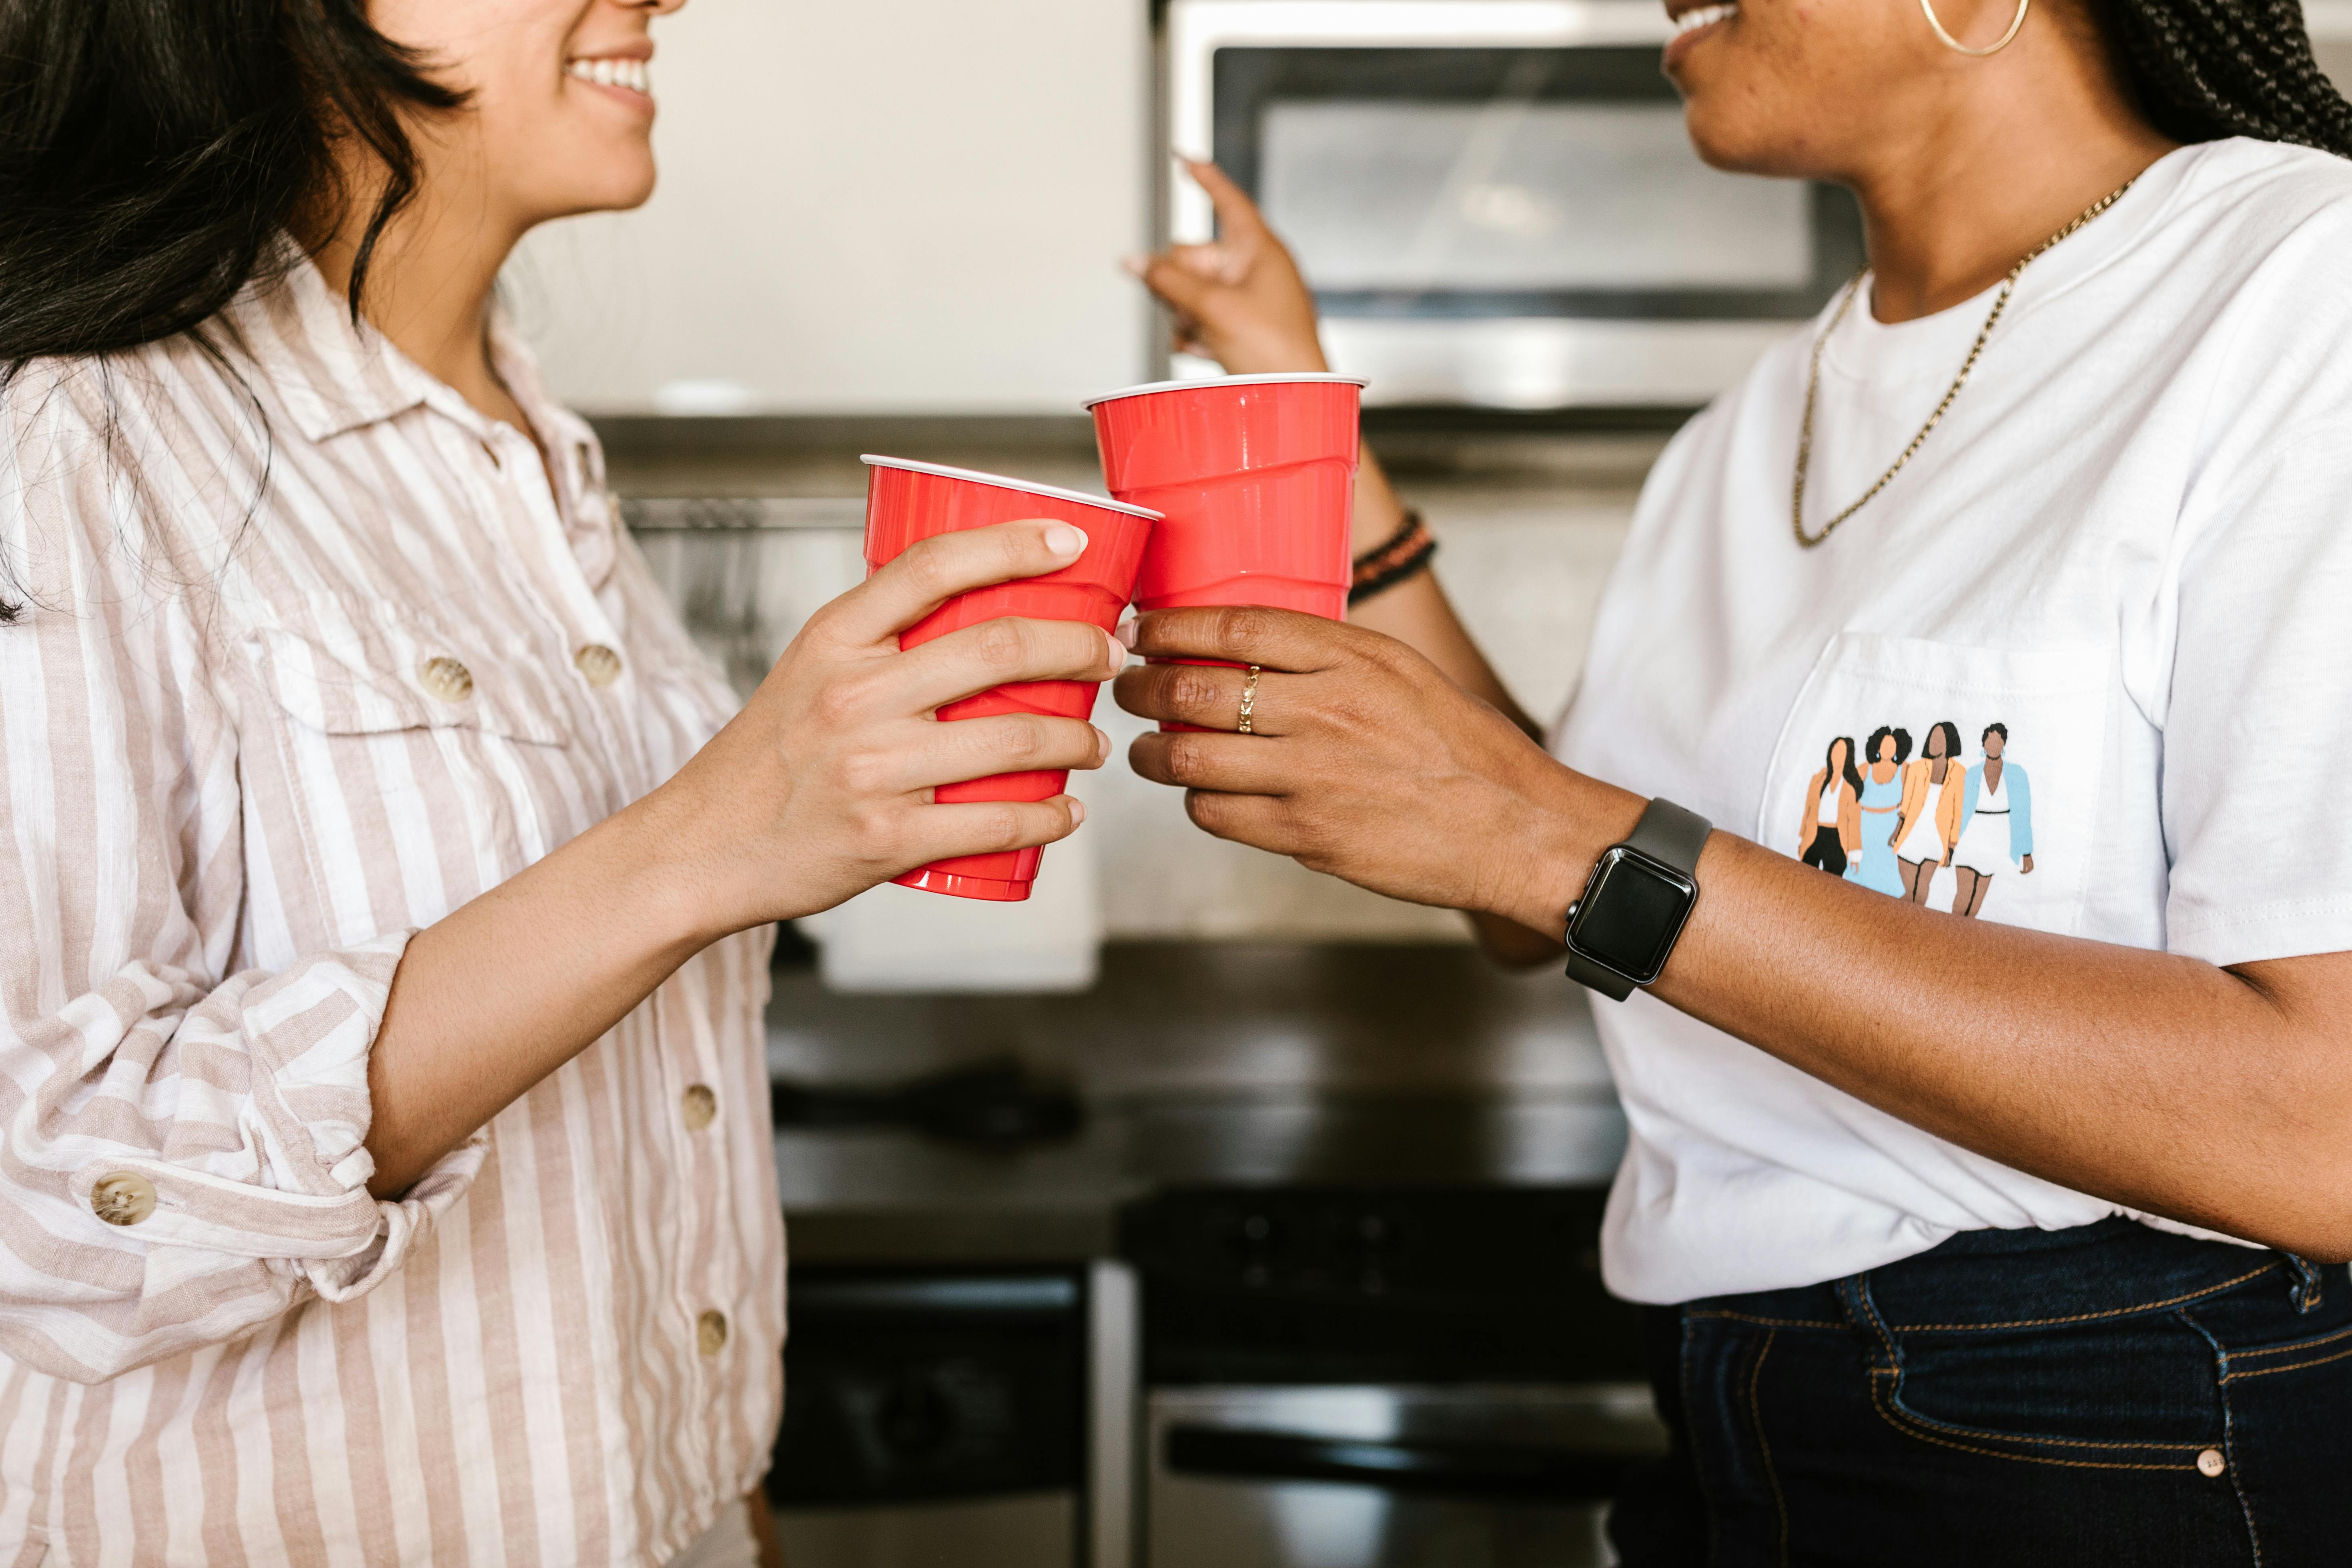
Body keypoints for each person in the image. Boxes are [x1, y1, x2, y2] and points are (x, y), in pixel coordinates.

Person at [1117, 0, 2352, 1554]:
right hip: (1736, 1389)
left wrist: (1541, 839)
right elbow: (1535, 897)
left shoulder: (2297, 291)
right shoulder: (1744, 427)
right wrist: (1300, 408)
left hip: (2109, 1409)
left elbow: (2326, 1131)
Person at [0, 2, 1119, 1562]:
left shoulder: (534, 458)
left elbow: (653, 1187)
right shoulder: (70, 434)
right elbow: (43, 1207)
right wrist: (697, 847)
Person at [1952, 720, 2035, 916]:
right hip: (1971, 835)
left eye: (1999, 741)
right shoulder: (1972, 774)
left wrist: (2027, 852)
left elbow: (2023, 813)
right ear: (1984, 745)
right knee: (1963, 895)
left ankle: (1962, 940)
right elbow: (1959, 810)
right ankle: (1948, 937)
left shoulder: (2017, 774)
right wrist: (1951, 844)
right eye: (1990, 741)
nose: (1994, 745)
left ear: (2004, 745)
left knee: (1977, 901)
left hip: (1998, 839)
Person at [1895, 718, 1967, 903]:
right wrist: (1897, 831)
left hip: (1937, 840)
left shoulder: (1959, 773)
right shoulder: (1917, 768)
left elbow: (1958, 812)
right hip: (1912, 835)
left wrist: (1951, 847)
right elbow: (1906, 804)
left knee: (1921, 892)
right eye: (1933, 738)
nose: (1935, 743)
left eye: (1940, 739)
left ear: (1950, 742)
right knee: (1911, 893)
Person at [1852, 725, 1910, 894]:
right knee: (1863, 866)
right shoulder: (1865, 769)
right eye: (1885, 745)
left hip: (1891, 824)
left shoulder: (1904, 770)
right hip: (1866, 823)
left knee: (1888, 866)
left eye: (1892, 746)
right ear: (1877, 746)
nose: (1888, 750)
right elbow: (1851, 800)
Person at [1796, 735, 1861, 875]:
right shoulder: (1818, 780)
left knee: (1833, 879)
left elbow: (1854, 823)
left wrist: (1854, 855)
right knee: (1806, 872)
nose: (1837, 756)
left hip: (1837, 837)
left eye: (1841, 753)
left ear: (1847, 757)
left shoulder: (1849, 788)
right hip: (1816, 832)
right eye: (1835, 751)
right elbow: (1808, 809)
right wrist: (1802, 836)